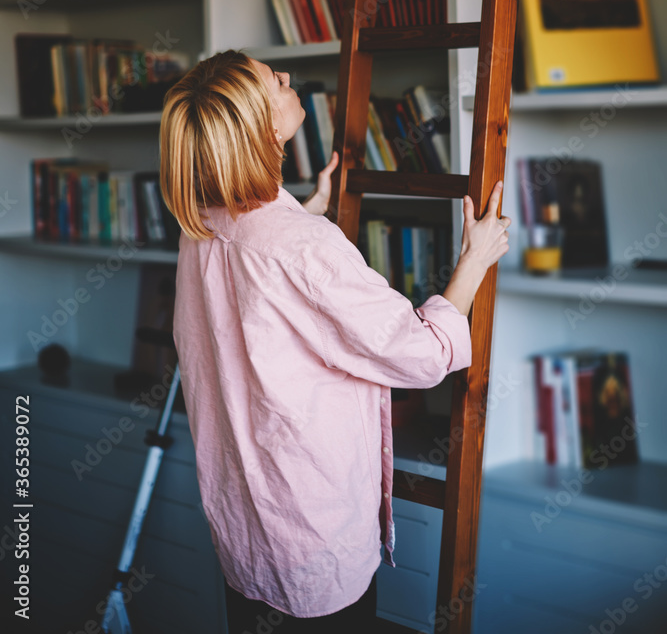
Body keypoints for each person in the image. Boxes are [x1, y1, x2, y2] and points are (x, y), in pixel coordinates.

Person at [159, 49, 510, 633]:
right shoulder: (302, 247)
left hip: (246, 537)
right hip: (312, 544)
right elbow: (424, 355)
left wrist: (310, 206)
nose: (288, 77)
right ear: (265, 126)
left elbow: (260, 280)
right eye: (274, 79)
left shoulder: (198, 229)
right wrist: (473, 259)